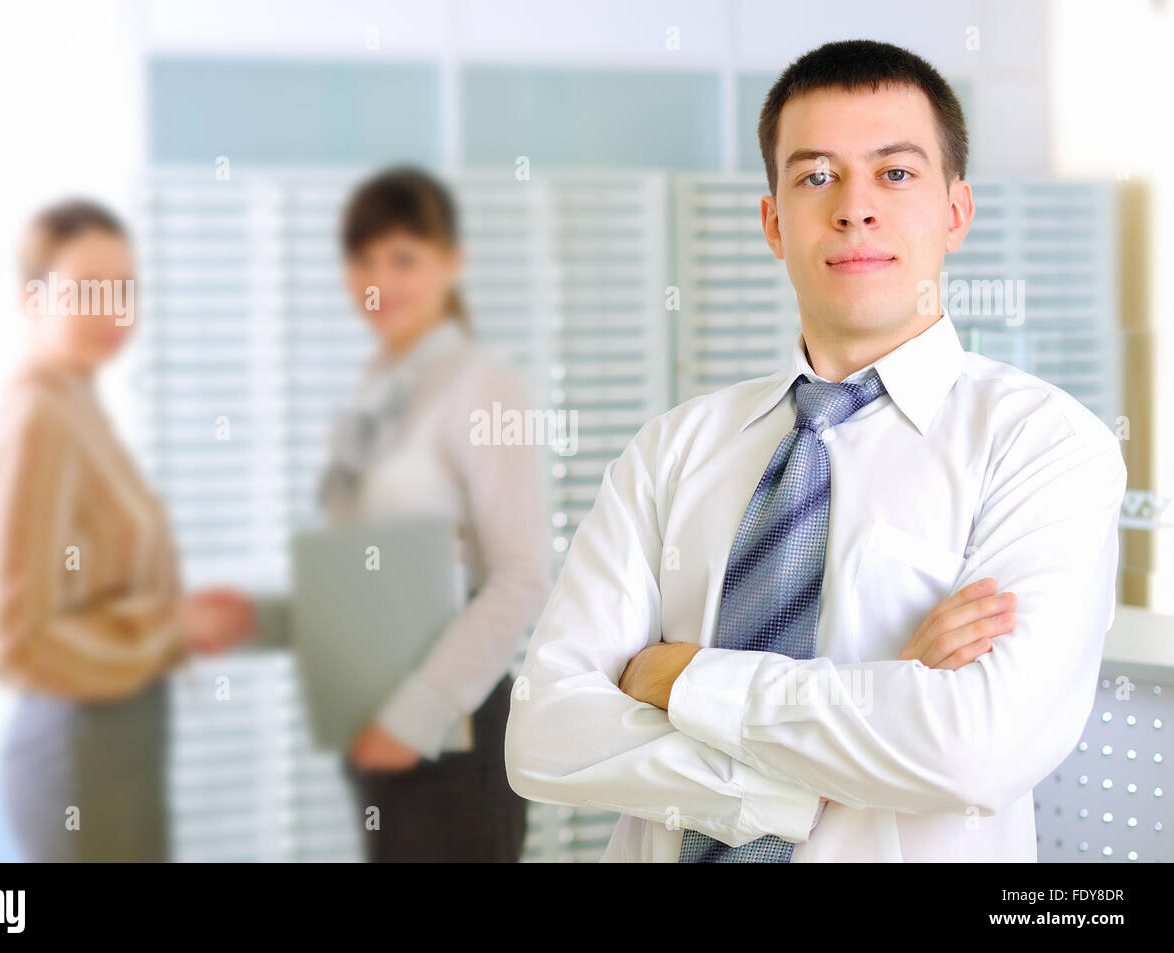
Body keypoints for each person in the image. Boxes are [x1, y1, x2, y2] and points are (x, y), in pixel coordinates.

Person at [504, 40, 1127, 862]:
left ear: (956, 211)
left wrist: (681, 677)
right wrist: (848, 731)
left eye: (895, 174)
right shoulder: (673, 449)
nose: (854, 208)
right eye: (815, 176)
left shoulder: (1043, 446)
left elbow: (977, 744)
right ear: (772, 221)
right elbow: (545, 734)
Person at [0, 199, 257, 862]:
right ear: (32, 297)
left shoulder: (80, 406)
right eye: (89, 290)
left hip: (118, 735)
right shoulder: (39, 419)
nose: (114, 311)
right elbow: (10, 639)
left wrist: (179, 616)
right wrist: (173, 627)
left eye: (126, 289)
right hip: (80, 745)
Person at [316, 167, 553, 861]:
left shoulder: (486, 384)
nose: (380, 279)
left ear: (453, 263)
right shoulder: (376, 390)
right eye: (363, 258)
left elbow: (520, 577)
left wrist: (414, 716)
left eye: (404, 258)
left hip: (453, 729)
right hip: (374, 722)